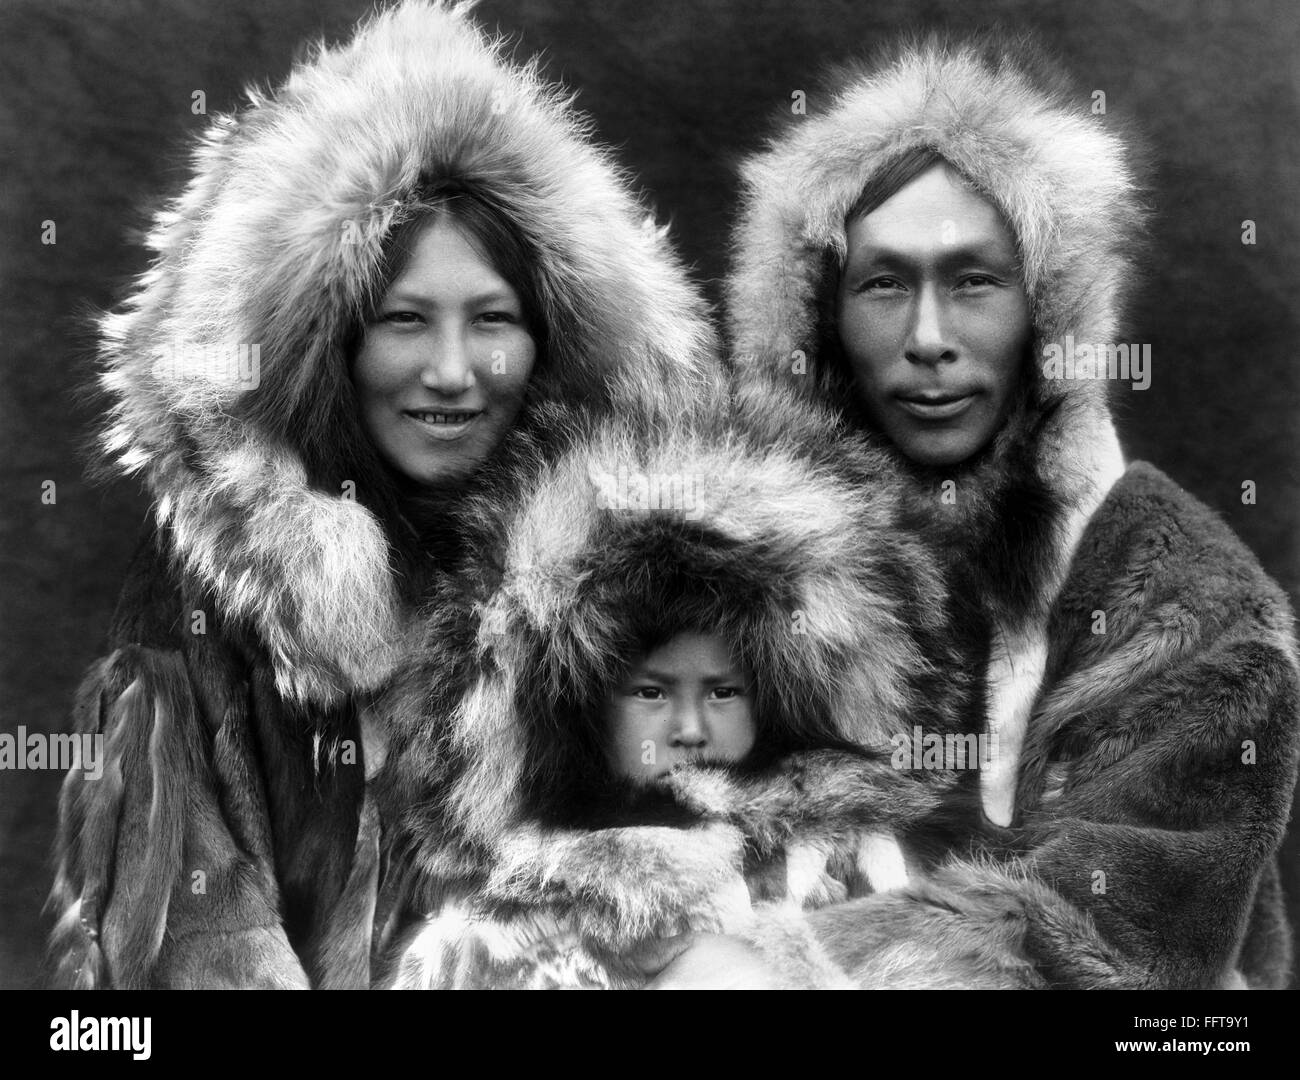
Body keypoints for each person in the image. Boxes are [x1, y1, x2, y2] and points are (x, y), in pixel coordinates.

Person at [46, 0, 715, 990]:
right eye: (405, 320)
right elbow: (165, 957)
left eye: (491, 319)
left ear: (548, 343)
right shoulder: (218, 602)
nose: (452, 370)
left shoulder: (627, 593)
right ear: (335, 345)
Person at [697, 32, 1300, 989]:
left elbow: (1113, 946)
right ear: (816, 313)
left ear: (1047, 311)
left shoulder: (1190, 593)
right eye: (884, 283)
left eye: (974, 281)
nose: (929, 339)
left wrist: (766, 965)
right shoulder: (730, 564)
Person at [370, 382, 983, 989]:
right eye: (652, 693)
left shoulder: (850, 868)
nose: (690, 728)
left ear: (776, 707)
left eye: (722, 693)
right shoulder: (488, 936)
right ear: (580, 714)